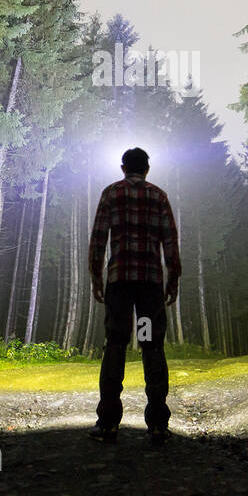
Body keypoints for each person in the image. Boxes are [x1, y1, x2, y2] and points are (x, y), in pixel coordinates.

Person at [86, 147, 181, 445]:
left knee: (115, 343)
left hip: (120, 282)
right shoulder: (158, 196)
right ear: (147, 169)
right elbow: (170, 239)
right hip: (150, 285)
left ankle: (109, 424)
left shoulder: (111, 194)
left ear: (124, 167)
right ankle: (156, 424)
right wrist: (173, 277)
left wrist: (96, 276)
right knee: (151, 346)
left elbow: (99, 238)